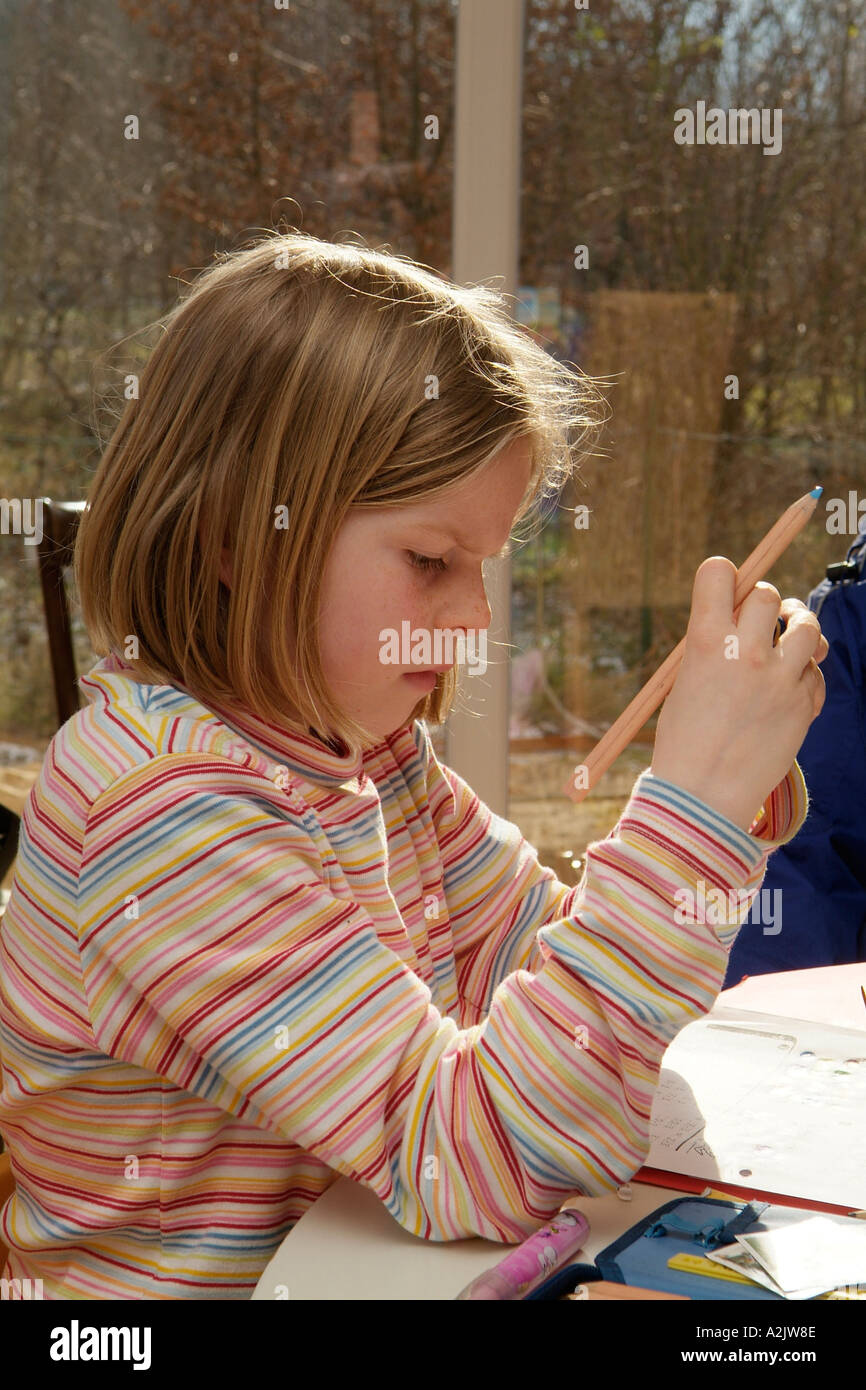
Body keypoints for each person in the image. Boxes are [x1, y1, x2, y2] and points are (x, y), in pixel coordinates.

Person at [0, 232, 826, 1299]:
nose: (473, 619)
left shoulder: (368, 752)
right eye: (431, 561)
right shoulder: (154, 809)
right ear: (231, 537)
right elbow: (472, 1153)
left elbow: (536, 962)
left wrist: (727, 795)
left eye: (480, 568)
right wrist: (689, 813)